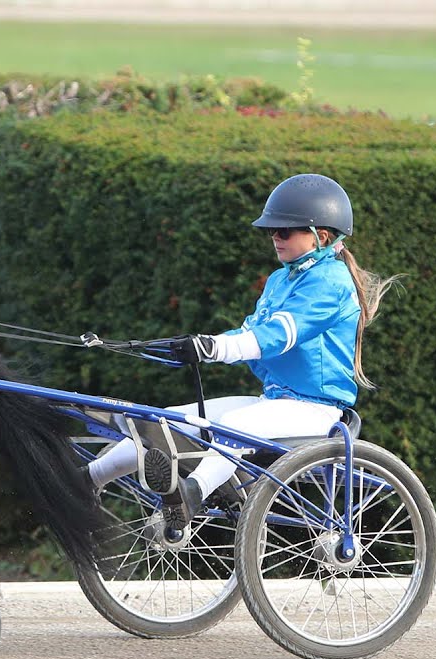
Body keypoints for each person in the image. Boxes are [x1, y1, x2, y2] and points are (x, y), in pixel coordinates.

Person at [85, 173, 400, 530]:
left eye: (284, 231)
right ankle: (88, 479)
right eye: (272, 231)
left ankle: (191, 494)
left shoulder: (331, 282)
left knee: (233, 427)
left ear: (321, 237)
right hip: (273, 402)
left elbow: (279, 336)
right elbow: (251, 333)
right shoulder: (282, 279)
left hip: (315, 410)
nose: (275, 238)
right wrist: (196, 346)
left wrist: (214, 348)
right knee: (167, 421)